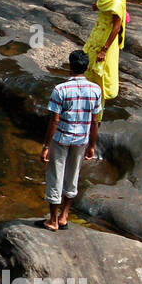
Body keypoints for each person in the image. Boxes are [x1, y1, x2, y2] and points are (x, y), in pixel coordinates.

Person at [40, 48, 102, 231]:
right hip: (81, 139)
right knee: (72, 176)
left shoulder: (60, 89)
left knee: (55, 177)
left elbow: (54, 120)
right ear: (87, 67)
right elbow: (95, 121)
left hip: (61, 138)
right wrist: (92, 145)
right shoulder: (95, 90)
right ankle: (64, 216)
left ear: (70, 66)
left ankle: (53, 220)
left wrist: (45, 146)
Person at [84, 0, 126, 112]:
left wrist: (104, 50)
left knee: (100, 73)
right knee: (88, 66)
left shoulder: (117, 0)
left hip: (106, 41)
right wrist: (98, 6)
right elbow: (102, 2)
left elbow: (116, 28)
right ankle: (85, 103)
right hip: (97, 36)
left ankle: (96, 113)